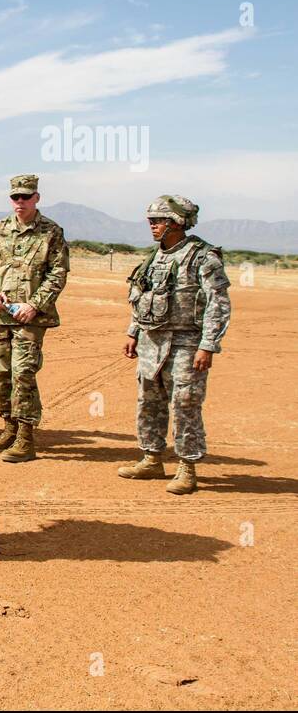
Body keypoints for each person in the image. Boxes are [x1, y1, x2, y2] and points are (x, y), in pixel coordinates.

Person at [119, 195, 231, 495]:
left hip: (186, 342)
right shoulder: (153, 258)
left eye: (160, 220)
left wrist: (208, 345)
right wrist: (133, 332)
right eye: (151, 220)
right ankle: (151, 458)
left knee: (185, 402)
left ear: (178, 222)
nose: (153, 226)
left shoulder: (203, 257)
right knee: (149, 401)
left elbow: (217, 304)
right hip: (151, 341)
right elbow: (140, 297)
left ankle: (187, 467)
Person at [0, 174, 70, 462]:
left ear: (36, 198)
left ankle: (26, 437)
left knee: (23, 373)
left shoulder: (51, 232)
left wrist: (35, 305)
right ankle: (9, 427)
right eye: (16, 197)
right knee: (1, 373)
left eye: (26, 196)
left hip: (30, 318)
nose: (20, 202)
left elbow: (58, 273)